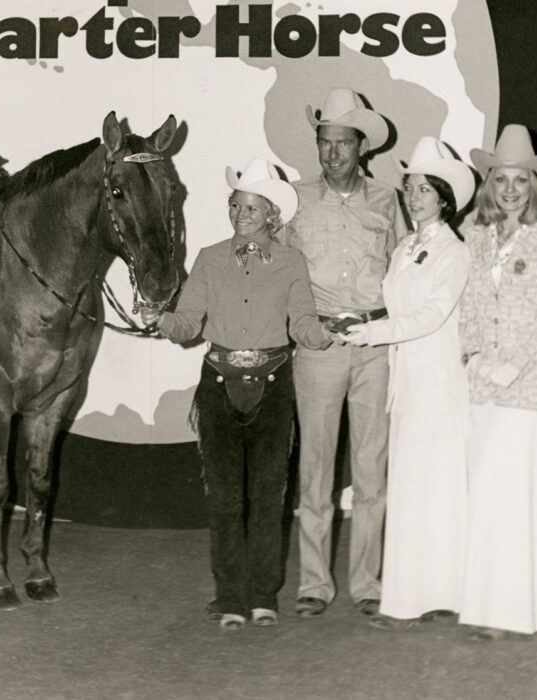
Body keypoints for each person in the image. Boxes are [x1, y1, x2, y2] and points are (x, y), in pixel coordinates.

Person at [141, 158, 330, 631]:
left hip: (273, 387)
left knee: (268, 496)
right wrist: (160, 319)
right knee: (225, 499)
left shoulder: (291, 262)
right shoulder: (208, 258)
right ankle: (229, 598)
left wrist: (321, 333)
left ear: (272, 214)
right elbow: (187, 325)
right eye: (235, 205)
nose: (240, 214)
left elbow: (303, 320)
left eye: (250, 207)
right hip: (219, 386)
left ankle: (263, 596)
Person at [277, 87, 408, 618]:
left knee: (371, 469)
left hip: (375, 347)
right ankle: (313, 584)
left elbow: (406, 272)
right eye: (324, 143)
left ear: (362, 147)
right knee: (314, 470)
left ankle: (368, 584)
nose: (332, 154)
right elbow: (278, 274)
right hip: (321, 347)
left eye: (343, 144)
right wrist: (299, 328)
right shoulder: (296, 200)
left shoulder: (386, 201)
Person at [339, 137, 475, 628]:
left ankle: (446, 594)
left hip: (439, 388)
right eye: (410, 188)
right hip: (408, 386)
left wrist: (373, 332)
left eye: (424, 189)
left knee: (438, 493)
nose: (414, 197)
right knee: (414, 491)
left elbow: (432, 316)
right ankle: (413, 595)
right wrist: (360, 316)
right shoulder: (404, 248)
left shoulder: (452, 252)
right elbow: (394, 304)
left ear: (444, 198)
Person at [457, 124, 537, 640]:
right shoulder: (474, 237)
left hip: (527, 390)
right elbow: (466, 306)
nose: (510, 188)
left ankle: (521, 611)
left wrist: (516, 365)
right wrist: (473, 357)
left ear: (536, 186)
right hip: (484, 385)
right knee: (486, 494)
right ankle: (489, 605)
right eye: (501, 178)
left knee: (520, 496)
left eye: (521, 179)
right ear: (489, 184)